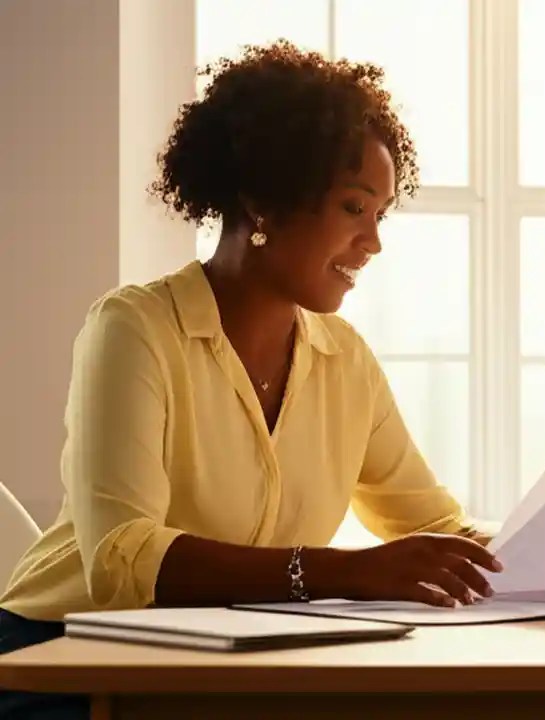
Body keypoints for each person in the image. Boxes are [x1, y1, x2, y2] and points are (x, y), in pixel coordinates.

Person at [0, 41, 500, 719]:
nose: (374, 242)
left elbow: (437, 528)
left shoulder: (345, 361)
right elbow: (123, 561)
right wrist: (347, 572)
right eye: (354, 208)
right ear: (265, 200)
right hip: (61, 661)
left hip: (225, 667)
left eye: (380, 215)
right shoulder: (135, 329)